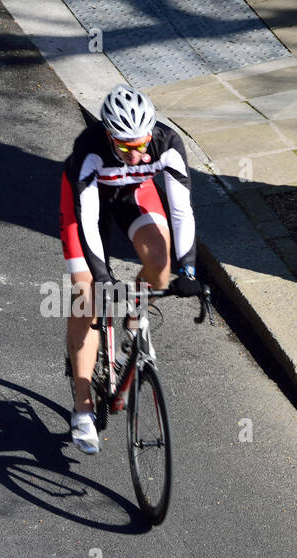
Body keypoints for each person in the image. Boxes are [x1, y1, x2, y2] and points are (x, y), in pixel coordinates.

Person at [60, 85, 201, 454]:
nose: (138, 155)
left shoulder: (167, 142)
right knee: (87, 295)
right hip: (86, 205)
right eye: (126, 147)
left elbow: (181, 209)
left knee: (160, 264)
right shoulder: (89, 149)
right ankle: (82, 406)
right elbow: (88, 220)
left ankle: (133, 326)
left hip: (133, 195)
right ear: (109, 134)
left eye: (142, 144)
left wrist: (188, 272)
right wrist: (103, 278)